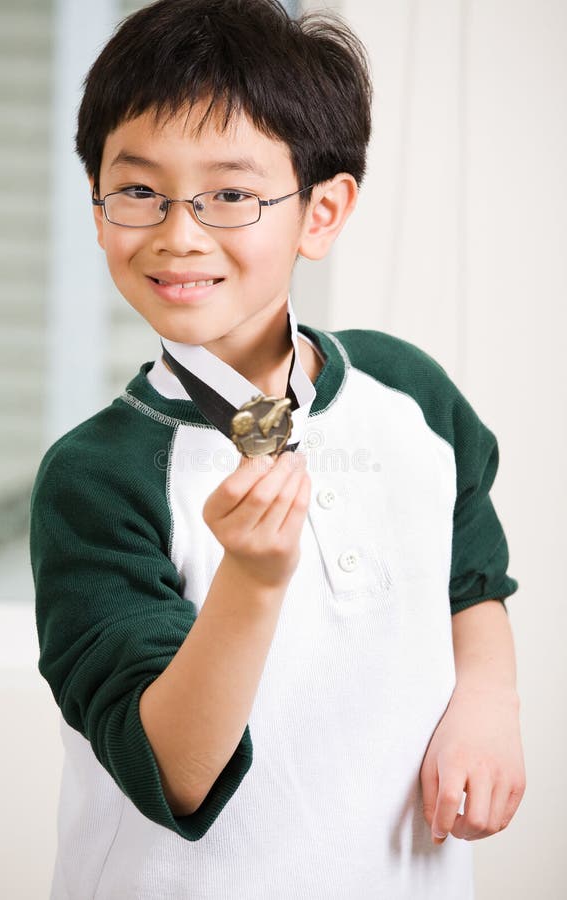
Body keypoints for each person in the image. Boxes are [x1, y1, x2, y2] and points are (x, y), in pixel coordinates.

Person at [29, 1, 526, 897]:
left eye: (230, 193)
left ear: (322, 212)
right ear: (98, 210)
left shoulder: (409, 391)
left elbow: (473, 578)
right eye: (139, 189)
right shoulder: (95, 477)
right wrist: (251, 583)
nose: (180, 232)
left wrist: (489, 704)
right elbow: (173, 768)